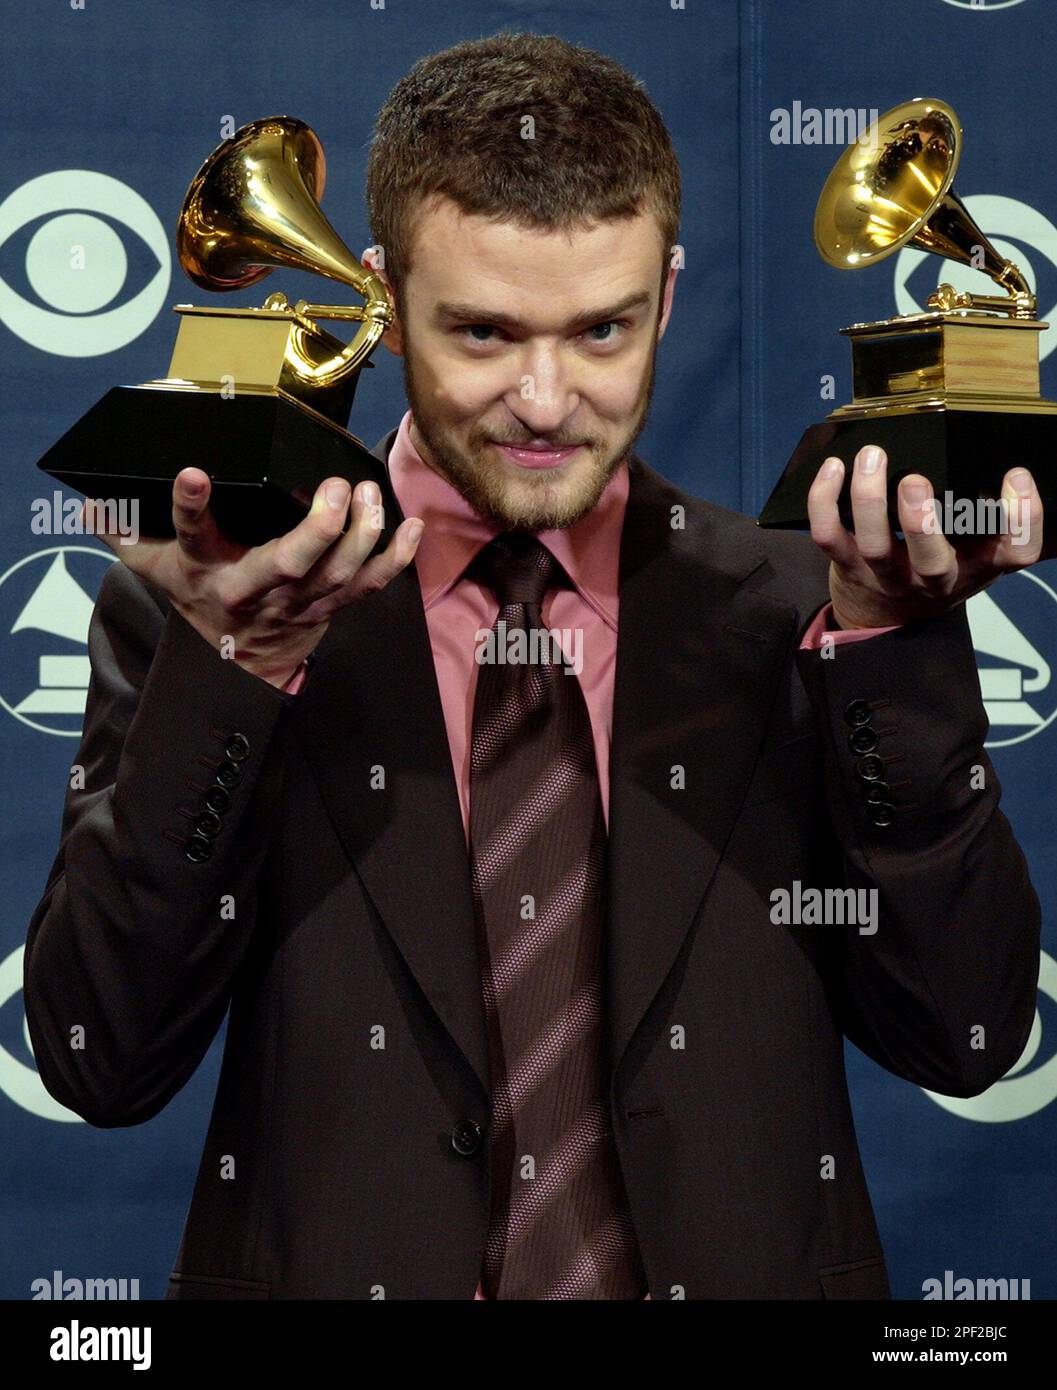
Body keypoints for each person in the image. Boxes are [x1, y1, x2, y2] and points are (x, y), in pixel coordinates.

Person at [23, 32, 1041, 1300]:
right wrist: (245, 662)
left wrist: (889, 649)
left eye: (603, 330)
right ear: (384, 302)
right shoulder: (218, 604)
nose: (547, 400)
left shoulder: (808, 610)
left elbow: (969, 1036)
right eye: (485, 333)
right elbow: (94, 1059)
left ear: (669, 297)